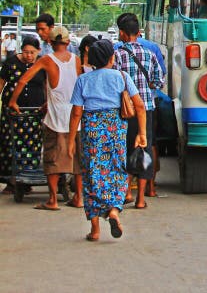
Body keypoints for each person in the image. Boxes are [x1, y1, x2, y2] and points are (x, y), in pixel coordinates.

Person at [67, 39, 147, 241]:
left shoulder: (83, 80)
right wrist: (142, 133)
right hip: (116, 129)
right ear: (112, 58)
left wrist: (70, 141)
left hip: (91, 130)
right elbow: (139, 106)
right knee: (118, 171)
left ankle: (95, 230)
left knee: (92, 175)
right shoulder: (122, 76)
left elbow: (76, 113)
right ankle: (113, 211)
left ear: (91, 60)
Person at [8, 25, 83, 210]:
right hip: (75, 117)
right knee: (77, 160)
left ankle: (52, 200)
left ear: (49, 42)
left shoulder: (47, 60)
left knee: (51, 159)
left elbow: (24, 79)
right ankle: (79, 197)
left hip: (55, 117)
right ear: (67, 42)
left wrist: (13, 101)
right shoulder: (76, 60)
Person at [113, 14, 164, 209]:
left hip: (126, 111)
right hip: (147, 109)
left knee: (125, 149)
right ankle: (141, 198)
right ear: (138, 32)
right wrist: (148, 85)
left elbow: (115, 81)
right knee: (144, 150)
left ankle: (126, 192)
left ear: (122, 33)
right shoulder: (149, 54)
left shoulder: (117, 54)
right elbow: (159, 81)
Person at [0, 36, 46, 194]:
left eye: (32, 52)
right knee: (10, 144)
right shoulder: (11, 62)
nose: (28, 56)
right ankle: (11, 181)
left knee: (31, 144)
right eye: (26, 52)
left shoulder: (42, 64)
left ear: (38, 51)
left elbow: (47, 85)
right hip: (12, 111)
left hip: (35, 110)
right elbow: (1, 82)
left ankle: (28, 179)